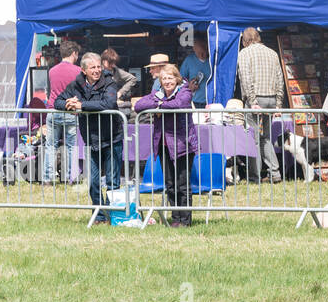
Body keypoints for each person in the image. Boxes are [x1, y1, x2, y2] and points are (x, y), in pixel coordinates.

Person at [52, 52, 121, 223]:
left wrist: (81, 105)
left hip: (112, 137)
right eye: (93, 68)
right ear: (84, 70)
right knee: (93, 182)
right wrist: (69, 104)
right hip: (91, 139)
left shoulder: (109, 82)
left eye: (99, 67)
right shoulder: (77, 84)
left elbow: (108, 103)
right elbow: (57, 102)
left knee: (113, 181)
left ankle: (113, 215)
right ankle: (99, 214)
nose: (97, 70)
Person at [133, 62, 197, 227]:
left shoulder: (185, 91)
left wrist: (160, 105)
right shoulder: (157, 93)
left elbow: (179, 104)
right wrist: (158, 102)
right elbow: (139, 106)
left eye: (170, 78)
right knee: (170, 183)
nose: (167, 81)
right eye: (164, 79)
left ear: (177, 79)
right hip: (163, 144)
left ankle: (185, 220)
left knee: (182, 184)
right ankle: (176, 219)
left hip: (183, 144)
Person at [235, 28, 285, 183]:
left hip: (255, 100)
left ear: (245, 40)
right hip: (271, 99)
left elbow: (245, 77)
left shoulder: (244, 53)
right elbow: (279, 78)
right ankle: (275, 173)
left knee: (253, 139)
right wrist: (278, 103)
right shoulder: (272, 53)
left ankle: (254, 176)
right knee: (266, 138)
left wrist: (252, 101)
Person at [43, 40, 82, 186]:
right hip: (71, 112)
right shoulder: (78, 71)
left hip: (53, 110)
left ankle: (47, 178)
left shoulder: (52, 70)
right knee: (72, 146)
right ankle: (69, 177)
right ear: (74, 53)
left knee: (50, 145)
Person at [178, 37, 212, 110]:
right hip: (194, 102)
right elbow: (180, 80)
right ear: (194, 49)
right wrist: (188, 86)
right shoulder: (189, 60)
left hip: (211, 102)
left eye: (203, 51)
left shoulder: (212, 60)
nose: (202, 55)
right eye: (199, 53)